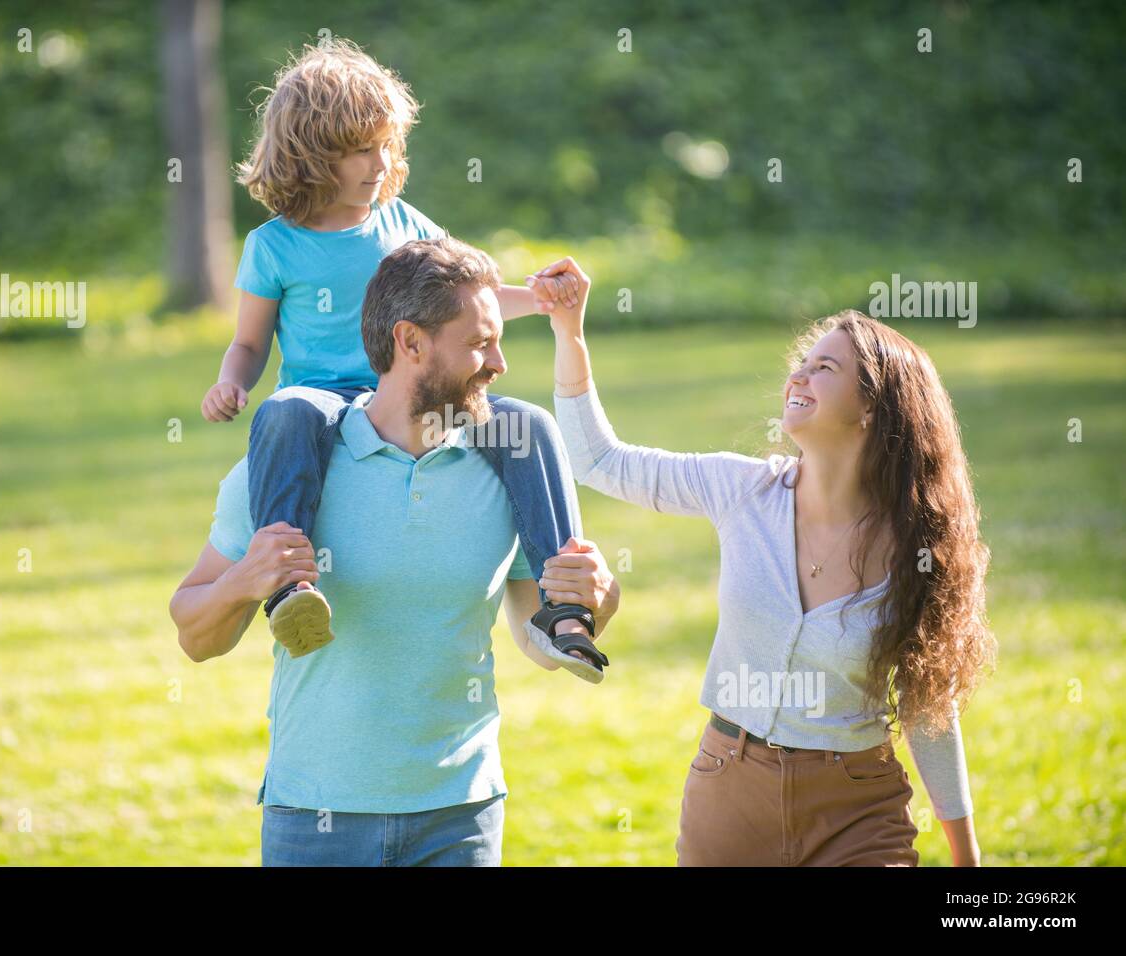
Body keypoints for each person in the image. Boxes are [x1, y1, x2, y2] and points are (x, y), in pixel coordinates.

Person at [531, 256, 995, 866]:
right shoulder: (741, 489)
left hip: (856, 809)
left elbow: (926, 705)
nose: (797, 378)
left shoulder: (918, 546)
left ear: (871, 409)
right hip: (729, 792)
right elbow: (598, 461)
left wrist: (966, 857)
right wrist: (571, 332)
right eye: (799, 365)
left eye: (824, 368)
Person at [170, 238, 621, 866]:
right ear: (410, 343)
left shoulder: (505, 462)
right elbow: (195, 636)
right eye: (479, 342)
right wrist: (246, 581)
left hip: (460, 814)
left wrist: (601, 595)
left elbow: (536, 646)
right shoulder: (283, 468)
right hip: (317, 816)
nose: (499, 363)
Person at [198, 37, 605, 679]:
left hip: (418, 388)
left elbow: (470, 298)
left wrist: (541, 297)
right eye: (362, 149)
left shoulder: (401, 222)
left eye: (388, 145)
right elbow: (249, 342)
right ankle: (291, 591)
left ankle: (561, 605)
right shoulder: (273, 246)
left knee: (527, 425)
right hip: (325, 399)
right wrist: (231, 383)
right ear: (309, 152)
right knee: (285, 414)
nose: (380, 163)